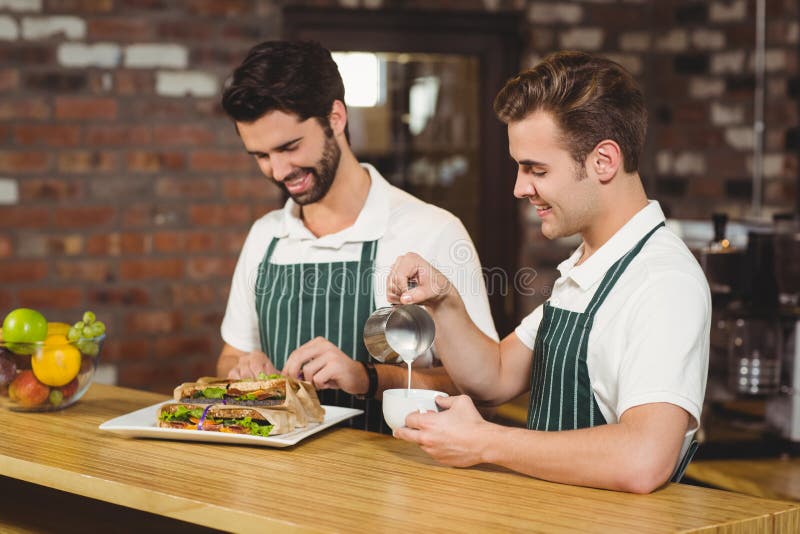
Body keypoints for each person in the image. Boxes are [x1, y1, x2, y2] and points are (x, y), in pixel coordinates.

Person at [387, 51, 711, 493]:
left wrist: (487, 442)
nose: (520, 188)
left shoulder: (662, 282)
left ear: (603, 161)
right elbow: (496, 376)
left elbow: (644, 458)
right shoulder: (591, 266)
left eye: (536, 169)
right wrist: (443, 301)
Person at [216, 40, 497, 433]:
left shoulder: (432, 231)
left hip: (396, 481)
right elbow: (230, 356)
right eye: (261, 156)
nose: (278, 171)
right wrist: (242, 369)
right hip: (278, 481)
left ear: (335, 117)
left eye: (290, 147)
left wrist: (369, 378)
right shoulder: (266, 237)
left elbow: (481, 391)